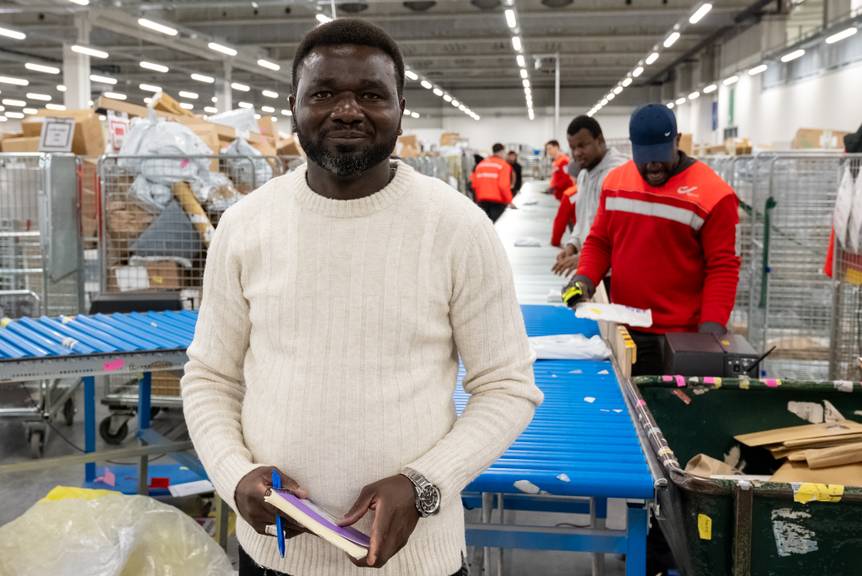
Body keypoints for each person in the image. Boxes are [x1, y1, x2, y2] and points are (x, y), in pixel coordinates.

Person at [181, 19, 543, 576]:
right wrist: (232, 476)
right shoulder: (245, 225)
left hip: (416, 561)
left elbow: (508, 387)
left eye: (370, 95)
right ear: (295, 105)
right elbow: (210, 377)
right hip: (277, 555)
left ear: (400, 107)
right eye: (324, 93)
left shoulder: (457, 227)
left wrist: (424, 485)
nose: (346, 110)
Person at [562, 104, 740, 376]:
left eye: (659, 155)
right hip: (625, 328)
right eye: (644, 157)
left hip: (682, 336)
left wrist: (711, 329)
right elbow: (600, 241)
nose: (652, 165)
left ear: (677, 141)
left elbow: (722, 267)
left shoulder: (713, 195)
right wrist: (584, 278)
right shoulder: (617, 181)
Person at [552, 116, 628, 277]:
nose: (577, 153)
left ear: (599, 140)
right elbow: (583, 220)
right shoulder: (585, 174)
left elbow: (622, 237)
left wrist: (586, 258)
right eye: (573, 148)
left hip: (615, 273)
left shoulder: (617, 176)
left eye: (582, 145)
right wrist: (572, 245)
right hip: (593, 267)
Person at [470, 143, 513, 222]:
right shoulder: (504, 165)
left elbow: (474, 185)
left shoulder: (480, 165)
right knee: (497, 227)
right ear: (502, 152)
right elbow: (503, 185)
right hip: (497, 203)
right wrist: (510, 201)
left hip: (482, 201)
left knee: (485, 228)